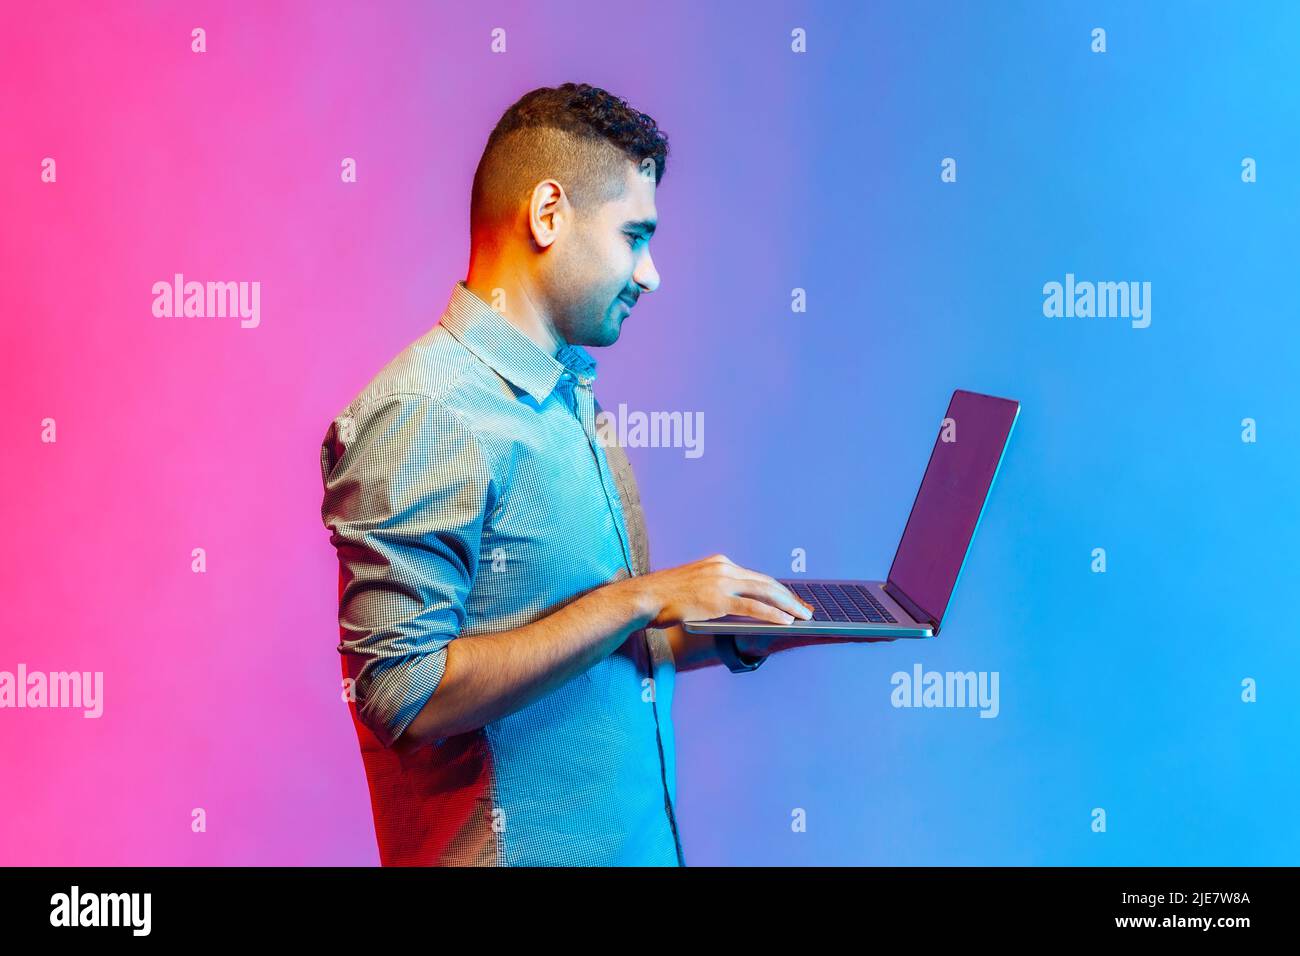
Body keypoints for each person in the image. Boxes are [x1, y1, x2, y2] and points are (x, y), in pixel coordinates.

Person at [319, 82, 880, 866]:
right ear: (548, 214)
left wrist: (740, 633)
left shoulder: (565, 397)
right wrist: (645, 595)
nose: (651, 275)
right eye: (635, 236)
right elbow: (403, 696)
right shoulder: (425, 412)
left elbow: (595, 651)